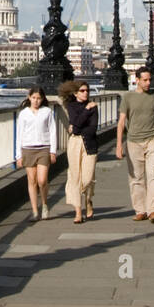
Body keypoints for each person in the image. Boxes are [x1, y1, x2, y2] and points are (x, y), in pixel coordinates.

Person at [116, 67, 154, 223]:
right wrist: (119, 144)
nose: (148, 83)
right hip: (133, 141)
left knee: (153, 174)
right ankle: (140, 210)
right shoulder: (128, 97)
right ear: (136, 80)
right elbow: (121, 122)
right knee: (136, 177)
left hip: (153, 138)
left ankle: (153, 210)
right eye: (144, 80)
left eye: (149, 79)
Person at [15, 87, 57, 219]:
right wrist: (18, 155)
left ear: (42, 99)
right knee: (32, 180)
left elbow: (53, 131)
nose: (36, 101)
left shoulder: (47, 112)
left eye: (38, 98)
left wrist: (53, 151)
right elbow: (19, 134)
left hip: (44, 147)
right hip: (28, 148)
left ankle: (44, 204)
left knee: (42, 180)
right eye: (34, 98)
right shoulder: (24, 114)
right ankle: (34, 211)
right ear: (29, 97)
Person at [64, 81, 99, 221]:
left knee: (87, 178)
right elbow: (76, 126)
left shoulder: (94, 107)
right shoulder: (71, 106)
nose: (86, 93)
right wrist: (85, 111)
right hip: (75, 143)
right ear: (75, 93)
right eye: (82, 90)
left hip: (89, 144)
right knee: (75, 177)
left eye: (87, 90)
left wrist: (76, 125)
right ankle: (78, 212)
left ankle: (88, 200)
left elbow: (92, 128)